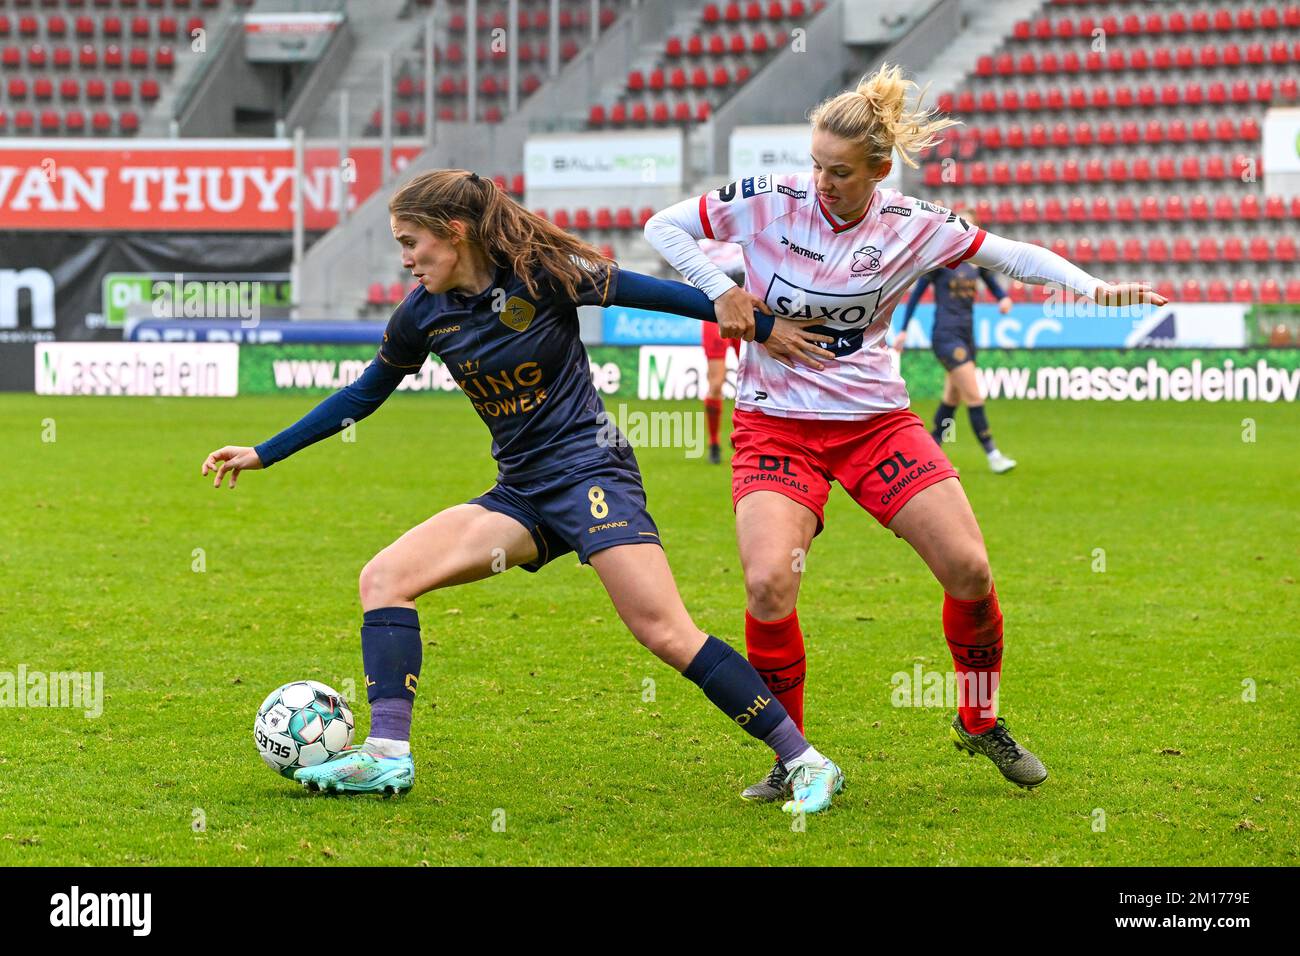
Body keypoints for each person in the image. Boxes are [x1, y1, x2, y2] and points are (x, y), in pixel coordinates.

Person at [201, 169, 845, 813]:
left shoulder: (548, 275)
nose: (404, 259)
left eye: (410, 241)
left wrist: (754, 324)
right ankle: (389, 757)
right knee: (384, 578)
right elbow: (363, 394)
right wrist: (264, 452)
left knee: (665, 631)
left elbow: (654, 294)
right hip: (522, 493)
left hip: (593, 475)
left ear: (454, 233)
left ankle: (806, 763)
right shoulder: (421, 316)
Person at [644, 63, 1166, 802]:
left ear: (879, 170)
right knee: (767, 585)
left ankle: (978, 719)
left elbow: (1009, 253)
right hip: (776, 427)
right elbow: (661, 226)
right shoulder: (770, 199)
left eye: (841, 173)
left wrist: (1091, 288)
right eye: (816, 165)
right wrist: (723, 289)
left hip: (874, 424)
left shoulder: (912, 225)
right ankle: (791, 756)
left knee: (971, 570)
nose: (821, 183)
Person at [893, 211, 1018, 473]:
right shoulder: (942, 260)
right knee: (973, 394)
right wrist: (903, 330)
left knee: (952, 397)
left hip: (967, 335)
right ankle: (993, 454)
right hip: (946, 335)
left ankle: (931, 454)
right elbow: (916, 295)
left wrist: (1003, 298)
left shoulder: (976, 263)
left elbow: (992, 283)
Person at [697, 238, 746, 464]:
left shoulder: (740, 234)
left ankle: (742, 433)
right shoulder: (702, 244)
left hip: (745, 313)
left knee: (752, 380)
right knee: (716, 383)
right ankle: (714, 443)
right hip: (713, 316)